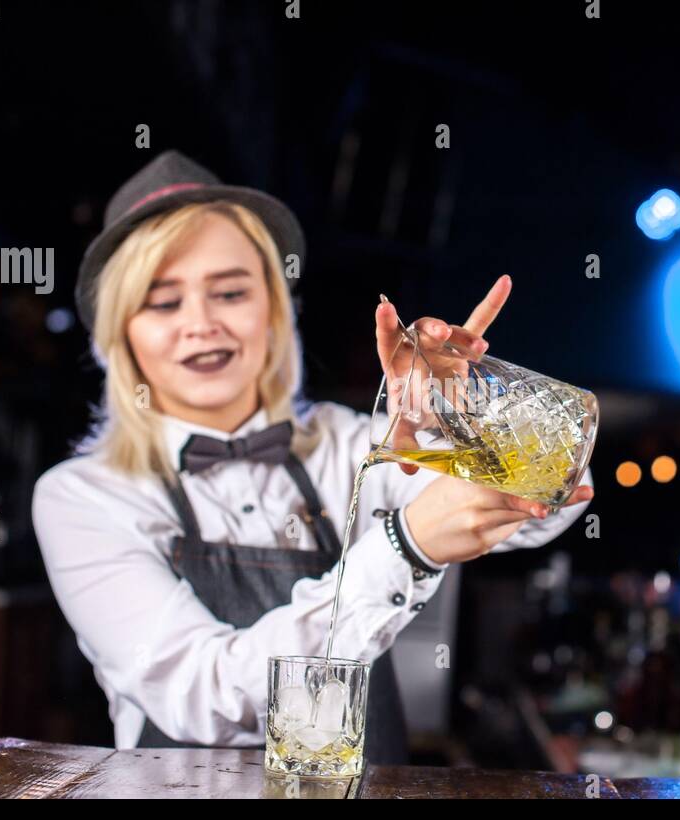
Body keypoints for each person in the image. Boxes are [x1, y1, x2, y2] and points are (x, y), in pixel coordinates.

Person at [32, 150, 594, 759]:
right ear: (123, 333)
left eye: (229, 292)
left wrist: (459, 408)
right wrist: (405, 548)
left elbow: (544, 504)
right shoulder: (84, 495)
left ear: (274, 310)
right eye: (163, 302)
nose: (201, 323)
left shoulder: (348, 446)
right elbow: (204, 696)